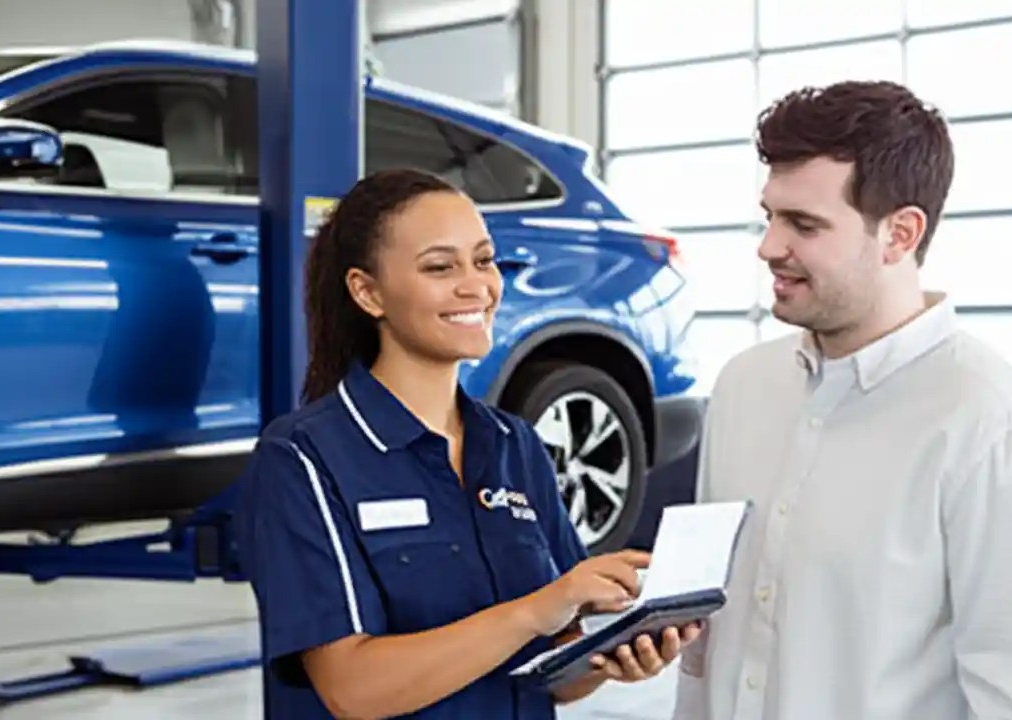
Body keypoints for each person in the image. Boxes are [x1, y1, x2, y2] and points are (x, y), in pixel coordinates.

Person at [672, 81, 1012, 719]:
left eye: (804, 225)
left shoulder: (999, 436)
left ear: (900, 234)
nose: (768, 247)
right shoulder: (742, 389)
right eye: (770, 216)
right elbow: (705, 651)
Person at [234, 168, 701, 720]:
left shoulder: (515, 446)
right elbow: (352, 689)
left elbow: (552, 676)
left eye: (483, 260)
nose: (477, 286)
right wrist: (537, 610)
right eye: (440, 267)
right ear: (367, 292)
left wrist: (608, 653)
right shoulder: (303, 458)